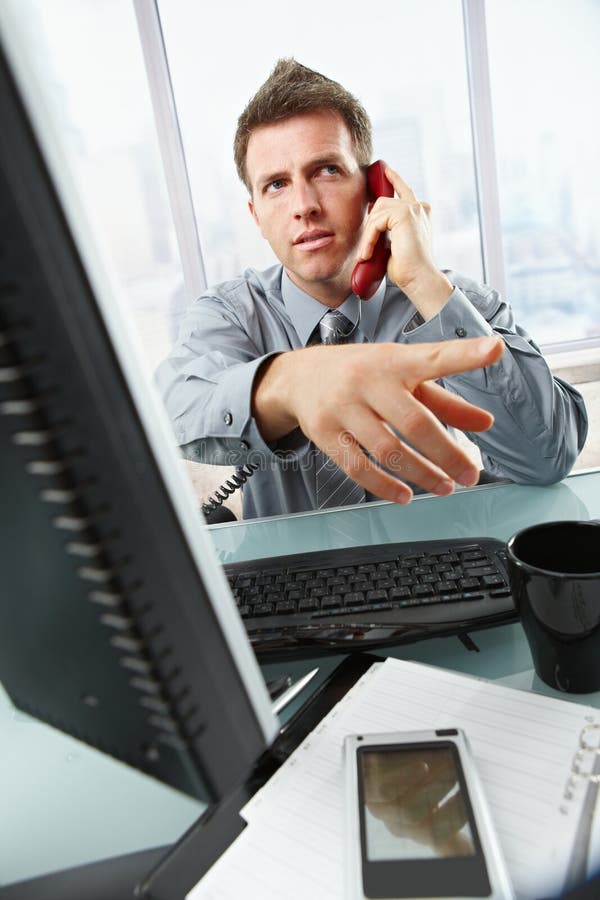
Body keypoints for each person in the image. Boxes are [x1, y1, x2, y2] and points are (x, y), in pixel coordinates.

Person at [156, 58, 587, 520]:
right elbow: (175, 409)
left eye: (325, 171)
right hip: (297, 580)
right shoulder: (230, 313)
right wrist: (289, 380)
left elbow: (548, 458)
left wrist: (424, 283)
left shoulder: (453, 303)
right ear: (256, 215)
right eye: (277, 184)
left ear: (374, 188)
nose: (303, 206)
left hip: (436, 568)